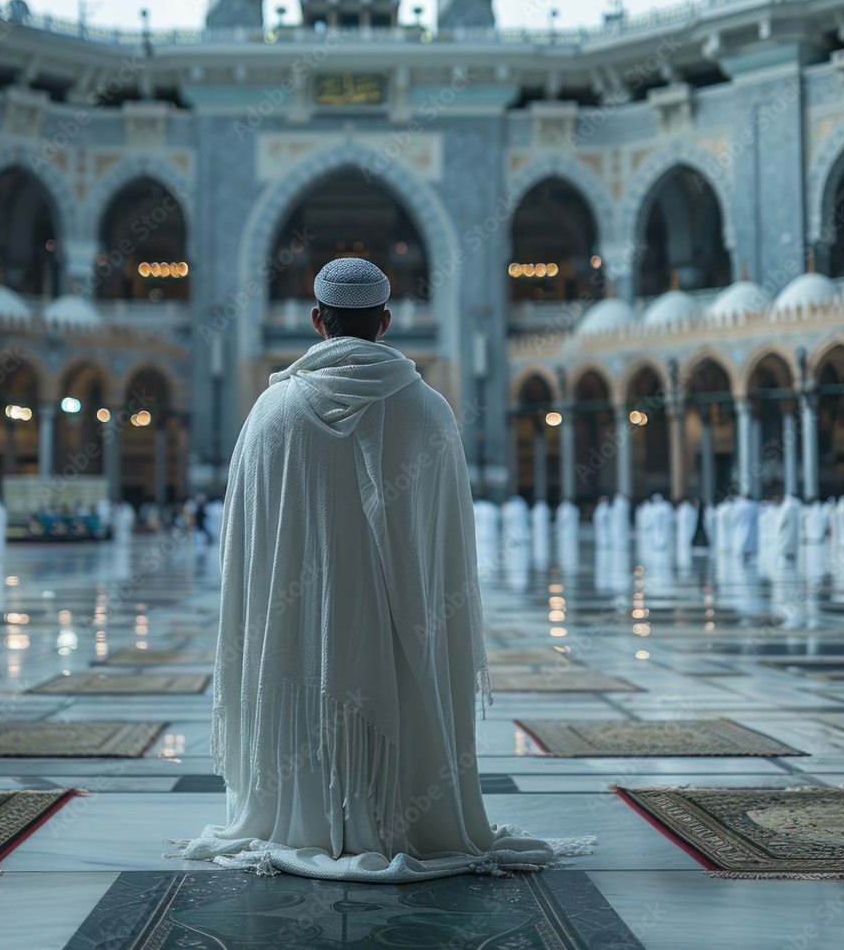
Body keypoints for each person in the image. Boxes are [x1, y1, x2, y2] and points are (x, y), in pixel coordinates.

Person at [167, 257, 583, 881]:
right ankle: (406, 819)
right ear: (386, 322)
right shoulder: (430, 412)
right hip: (400, 642)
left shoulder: (270, 416)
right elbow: (447, 551)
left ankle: (303, 820)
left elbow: (245, 556)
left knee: (305, 672)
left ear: (317, 320)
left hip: (299, 639)